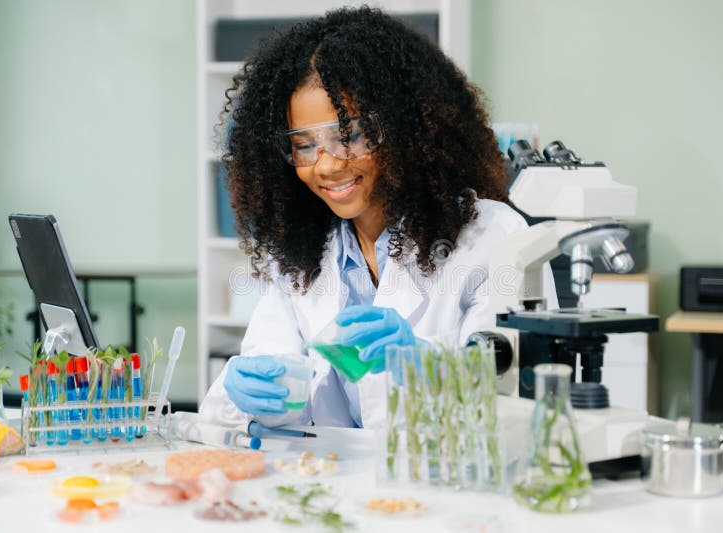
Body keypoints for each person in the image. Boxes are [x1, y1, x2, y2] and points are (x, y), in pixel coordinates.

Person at [199, 7, 557, 431]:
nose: (328, 165)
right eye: (305, 144)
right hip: (337, 486)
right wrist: (258, 396)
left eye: (348, 135)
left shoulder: (494, 238)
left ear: (406, 127)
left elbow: (518, 401)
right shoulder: (300, 257)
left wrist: (430, 364)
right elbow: (276, 403)